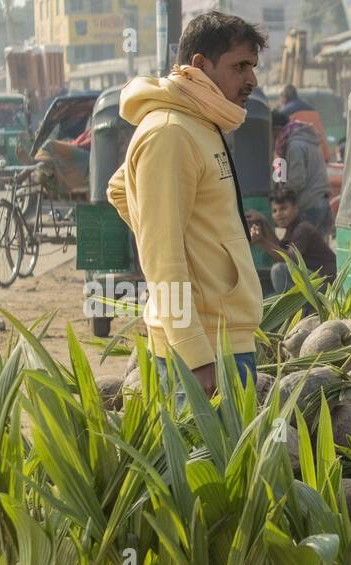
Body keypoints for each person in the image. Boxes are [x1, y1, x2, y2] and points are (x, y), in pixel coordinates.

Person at [108, 12, 267, 395]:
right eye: (240, 65)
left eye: (253, 67)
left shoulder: (197, 124)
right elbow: (162, 254)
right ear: (200, 65)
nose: (252, 80)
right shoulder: (170, 133)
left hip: (224, 339)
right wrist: (193, 351)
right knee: (205, 456)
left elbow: (118, 188)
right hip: (204, 351)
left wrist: (197, 246)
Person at [248, 187, 337, 291]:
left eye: (283, 208)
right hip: (312, 280)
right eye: (274, 211)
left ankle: (290, 307)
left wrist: (261, 241)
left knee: (279, 270)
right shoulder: (291, 229)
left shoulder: (303, 229)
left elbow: (288, 259)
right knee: (261, 274)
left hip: (326, 284)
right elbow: (279, 248)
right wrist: (263, 222)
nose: (278, 214)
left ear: (295, 208)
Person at [273, 109, 332, 236]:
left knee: (303, 253)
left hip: (309, 205)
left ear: (276, 129)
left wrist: (282, 191)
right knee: (317, 250)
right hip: (322, 203)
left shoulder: (295, 145)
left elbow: (297, 180)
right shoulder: (307, 139)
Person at [279, 83, 331, 161]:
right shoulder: (313, 110)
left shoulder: (284, 113)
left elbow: (281, 142)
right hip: (319, 155)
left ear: (285, 97)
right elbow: (321, 135)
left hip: (298, 157)